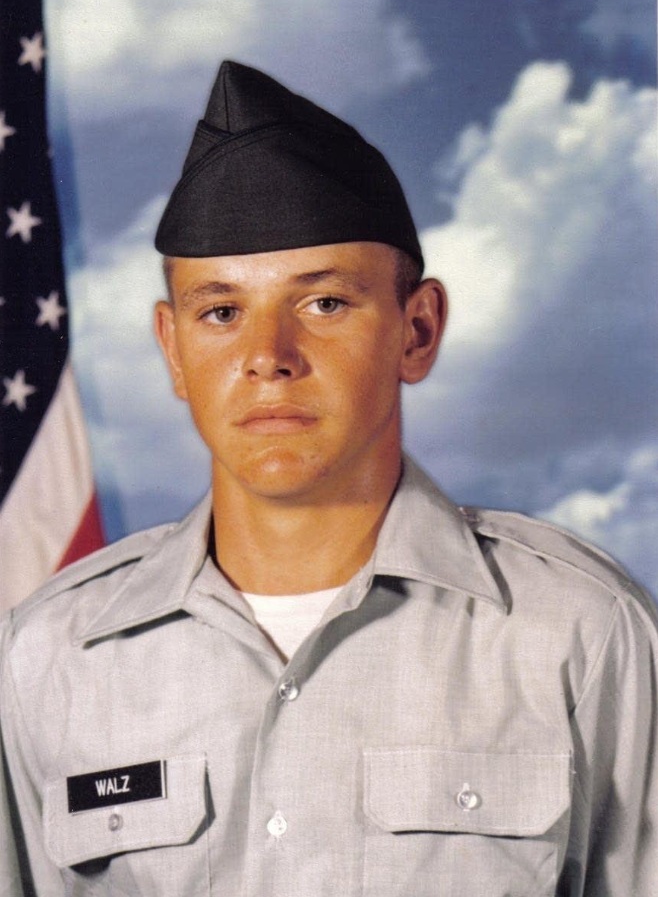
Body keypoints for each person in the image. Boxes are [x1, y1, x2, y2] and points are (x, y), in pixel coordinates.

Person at [1, 60, 656, 897]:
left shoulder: (580, 632)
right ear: (173, 348)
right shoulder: (48, 656)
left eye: (325, 303)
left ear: (417, 330)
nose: (267, 357)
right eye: (221, 311)